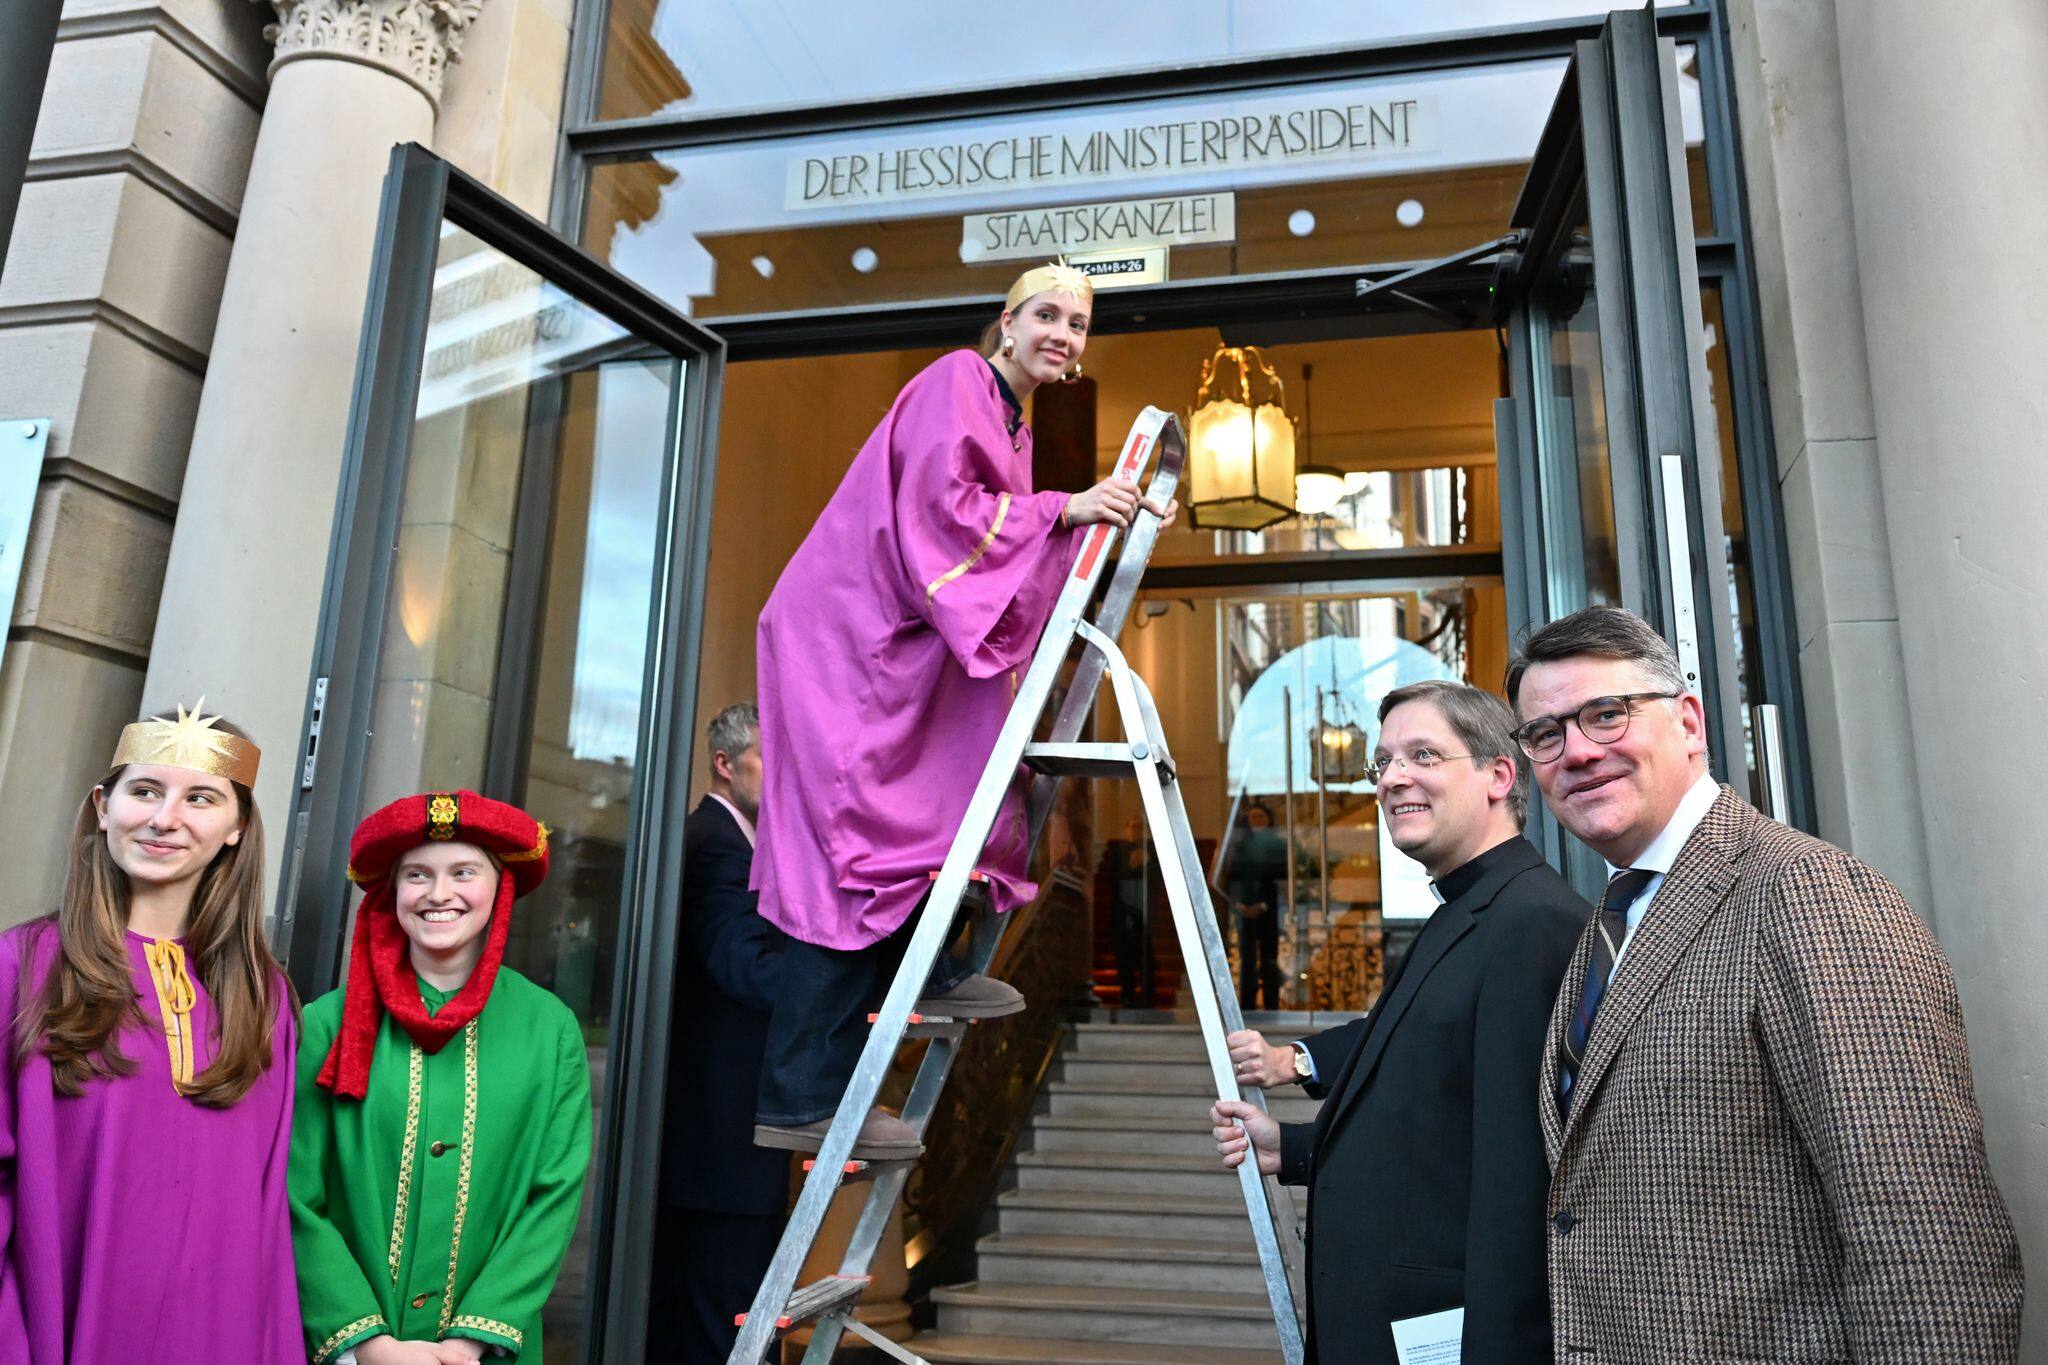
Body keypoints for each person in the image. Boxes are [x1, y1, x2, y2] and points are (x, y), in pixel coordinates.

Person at [1507, 606, 2023, 1358]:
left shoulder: (1804, 890)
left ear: (1688, 721)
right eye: (1545, 734)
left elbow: (1921, 1221)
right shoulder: (1609, 923)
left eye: (1607, 715)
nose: (1576, 751)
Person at [751, 260, 1176, 1161]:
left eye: (1079, 323)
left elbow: (997, 543)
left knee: (960, 807)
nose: (1063, 334)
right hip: (857, 652)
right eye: (1048, 315)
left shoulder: (1012, 418)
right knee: (856, 858)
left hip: (910, 646)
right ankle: (800, 1096)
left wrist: (1094, 528)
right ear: (1007, 322)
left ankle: (942, 966)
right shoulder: (957, 379)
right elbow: (948, 517)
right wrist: (1066, 509)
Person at [1211, 681, 1588, 1364]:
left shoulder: (1531, 921)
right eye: (1383, 762)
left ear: (1499, 775)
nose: (1393, 777)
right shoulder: (1467, 908)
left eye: (1423, 754)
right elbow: (1429, 1108)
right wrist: (1293, 1149)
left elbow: (1519, 1184)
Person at [0, 704, 301, 1360]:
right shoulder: (22, 966)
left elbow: (267, 1220)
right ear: (104, 807)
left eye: (200, 797)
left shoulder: (264, 995)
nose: (166, 818)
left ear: (236, 827)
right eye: (145, 790)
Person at [290, 790, 593, 1365]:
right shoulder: (326, 1025)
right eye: (417, 875)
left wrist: (471, 1340)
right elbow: (295, 1195)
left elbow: (553, 1196)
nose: (439, 893)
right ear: (391, 892)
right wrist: (367, 1344)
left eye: (463, 872)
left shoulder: (550, 1030)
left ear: (500, 889)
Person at [653, 703, 788, 1362]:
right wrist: (837, 985)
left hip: (727, 1146)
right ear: (725, 763)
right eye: (771, 756)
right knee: (724, 1326)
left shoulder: (742, 842)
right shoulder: (713, 845)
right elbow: (746, 968)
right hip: (721, 1143)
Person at [1225, 802, 1286, 1011]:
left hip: (1270, 911)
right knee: (1247, 962)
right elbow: (1232, 876)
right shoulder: (1241, 846)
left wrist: (1263, 904)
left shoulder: (1278, 844)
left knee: (1269, 960)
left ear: (1268, 819)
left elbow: (1282, 877)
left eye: (1261, 816)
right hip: (1245, 912)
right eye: (1253, 818)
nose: (1257, 821)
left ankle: (1272, 1006)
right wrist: (1239, 905)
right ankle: (1248, 1008)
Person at [1100, 814, 1155, 1008]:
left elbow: (1156, 880)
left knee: (1145, 955)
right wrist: (1132, 867)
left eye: (1139, 827)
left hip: (1144, 909)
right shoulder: (1117, 852)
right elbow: (1112, 880)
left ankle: (1148, 995)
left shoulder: (1152, 851)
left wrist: (1145, 863)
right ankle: (1128, 994)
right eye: (1132, 827)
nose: (1135, 831)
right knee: (1123, 955)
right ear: (1126, 830)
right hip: (1122, 909)